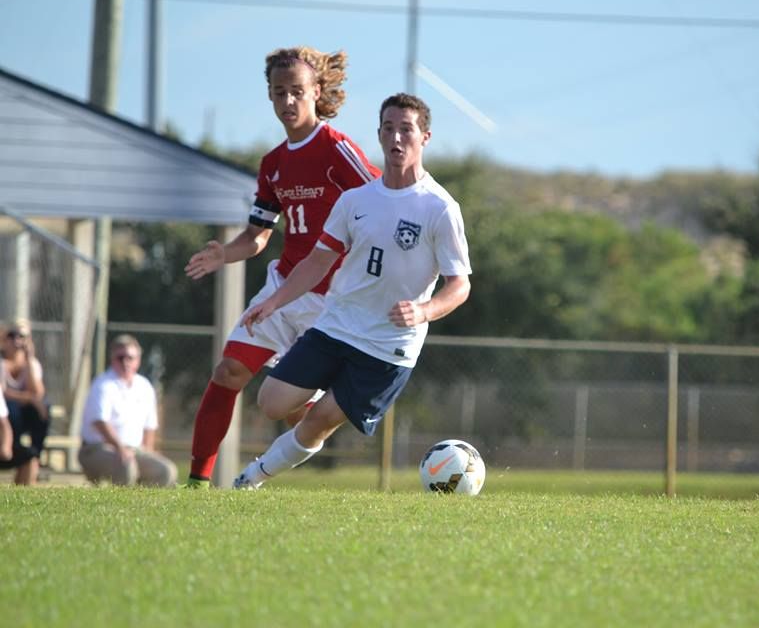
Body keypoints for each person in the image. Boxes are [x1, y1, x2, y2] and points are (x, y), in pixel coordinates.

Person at [232, 93, 471, 489]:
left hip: (388, 345)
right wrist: (273, 302)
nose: (396, 138)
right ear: (379, 134)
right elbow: (317, 261)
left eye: (406, 129)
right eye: (389, 128)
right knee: (271, 403)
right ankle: (318, 396)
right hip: (337, 325)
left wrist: (425, 310)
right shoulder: (355, 200)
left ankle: (251, 478)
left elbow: (459, 285)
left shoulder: (440, 208)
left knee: (317, 424)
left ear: (425, 137)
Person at [182, 47, 381, 488]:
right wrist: (224, 254)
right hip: (285, 286)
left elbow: (382, 201)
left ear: (316, 93)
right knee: (228, 372)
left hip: (333, 301)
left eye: (296, 92)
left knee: (289, 409)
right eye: (278, 93)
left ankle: (307, 422)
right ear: (269, 97)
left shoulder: (337, 149)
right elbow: (258, 235)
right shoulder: (273, 164)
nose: (288, 102)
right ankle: (196, 484)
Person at [78, 334, 178, 487]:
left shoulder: (144, 386)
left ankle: (147, 509)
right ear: (112, 359)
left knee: (166, 470)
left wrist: (148, 453)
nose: (125, 362)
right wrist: (120, 448)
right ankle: (119, 509)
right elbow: (100, 422)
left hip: (134, 450)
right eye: (120, 357)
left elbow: (149, 427)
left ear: (137, 360)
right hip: (97, 449)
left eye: (130, 357)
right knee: (126, 467)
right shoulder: (103, 384)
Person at [1, 319, 49, 485]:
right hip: (7, 416)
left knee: (44, 408)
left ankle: (37, 453)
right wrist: (29, 399)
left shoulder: (32, 364)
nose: (16, 340)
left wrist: (28, 359)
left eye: (22, 336)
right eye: (11, 335)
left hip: (20, 416)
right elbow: (2, 393)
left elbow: (38, 393)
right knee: (12, 408)